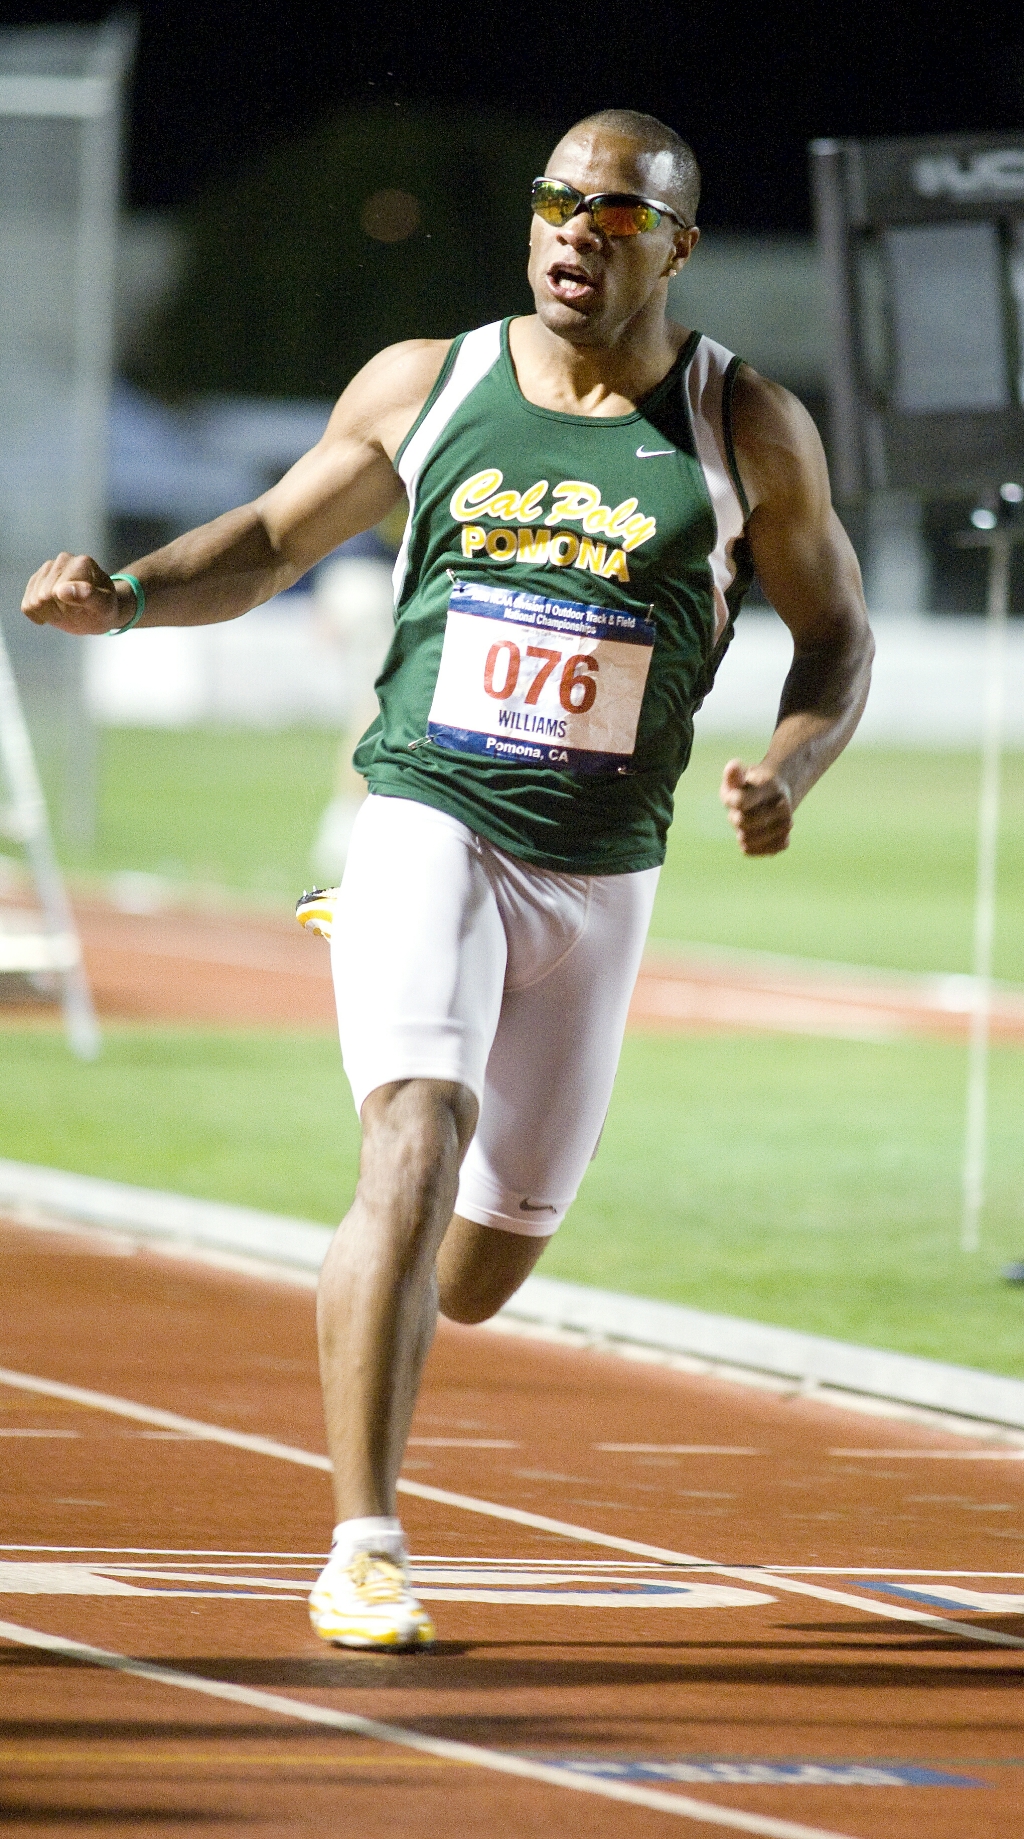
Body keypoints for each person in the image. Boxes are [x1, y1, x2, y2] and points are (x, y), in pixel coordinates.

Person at [22, 108, 873, 1652]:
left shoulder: (745, 426)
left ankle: (406, 1274)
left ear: (675, 243)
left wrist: (790, 768)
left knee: (476, 1270)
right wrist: (132, 595)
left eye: (614, 213)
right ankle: (364, 1542)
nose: (572, 230)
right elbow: (278, 537)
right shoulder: (434, 383)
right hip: (428, 811)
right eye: (556, 200)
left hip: (603, 868)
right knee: (410, 1138)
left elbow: (837, 638)